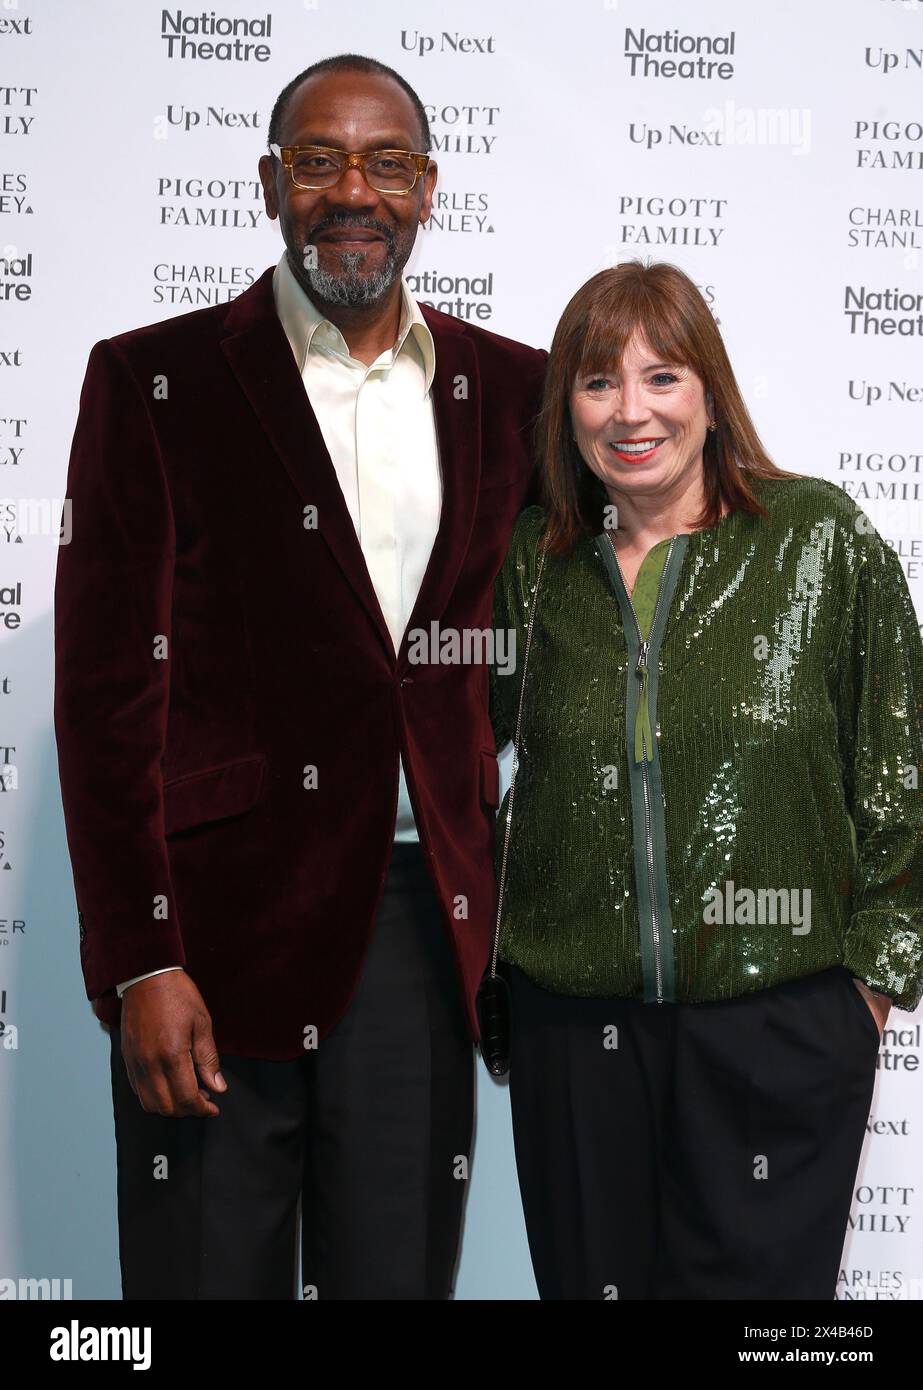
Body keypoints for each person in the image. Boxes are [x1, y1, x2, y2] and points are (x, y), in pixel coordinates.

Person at [54, 52, 545, 1300]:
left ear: (428, 189)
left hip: (422, 940)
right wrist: (140, 959)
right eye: (317, 160)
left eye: (385, 163)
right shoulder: (154, 382)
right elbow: (107, 701)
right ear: (270, 181)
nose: (351, 191)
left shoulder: (517, 393)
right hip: (217, 939)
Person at [490, 261, 923, 1300]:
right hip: (572, 1036)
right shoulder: (530, 564)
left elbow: (899, 768)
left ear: (709, 393)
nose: (629, 411)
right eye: (597, 382)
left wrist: (865, 983)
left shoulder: (815, 539)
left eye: (662, 377)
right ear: (567, 408)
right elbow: (443, 751)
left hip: (776, 1025)